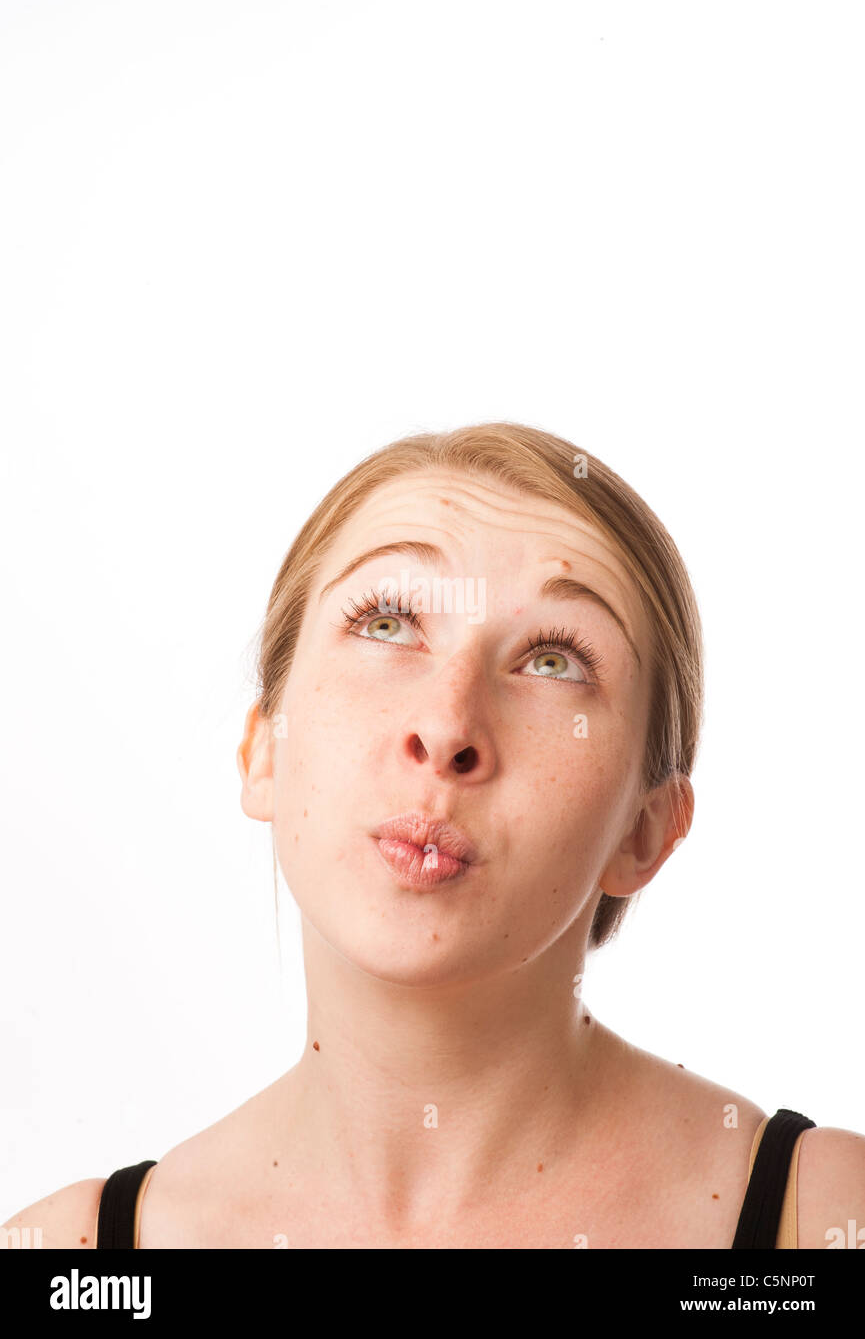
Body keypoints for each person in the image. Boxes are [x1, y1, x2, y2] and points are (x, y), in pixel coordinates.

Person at [6, 422, 864, 1249]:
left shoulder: (821, 1221)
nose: (447, 724)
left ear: (645, 832)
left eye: (553, 659)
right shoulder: (70, 1257)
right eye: (385, 623)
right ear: (263, 749)